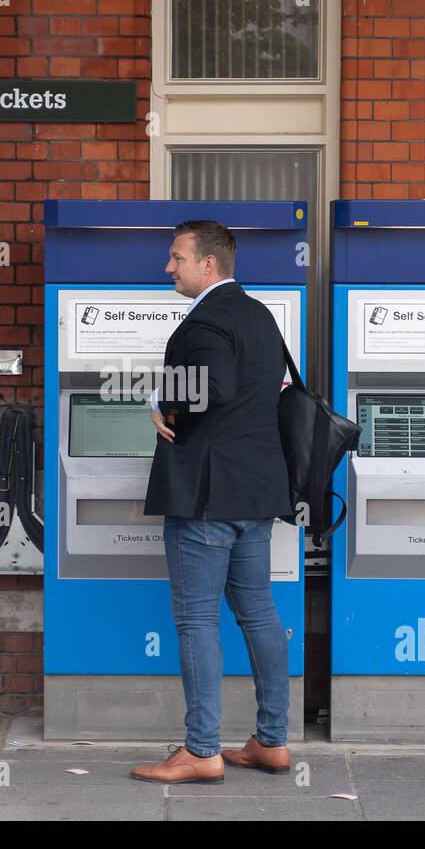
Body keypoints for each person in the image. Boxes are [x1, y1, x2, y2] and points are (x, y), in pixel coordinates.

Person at [131, 219, 293, 785]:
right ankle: (271, 742)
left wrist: (158, 399)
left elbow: (214, 388)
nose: (168, 267)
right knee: (259, 614)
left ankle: (201, 749)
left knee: (197, 620)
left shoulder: (206, 320)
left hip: (208, 496)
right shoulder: (259, 315)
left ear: (209, 264)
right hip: (256, 492)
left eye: (177, 257)